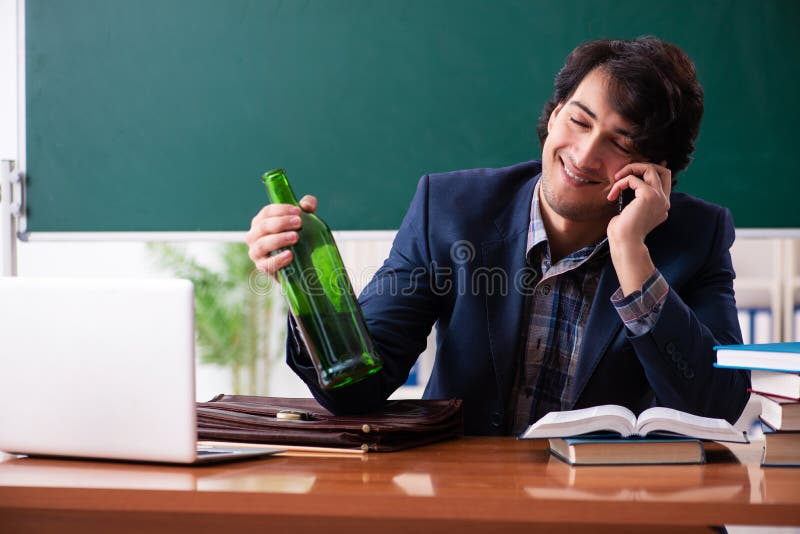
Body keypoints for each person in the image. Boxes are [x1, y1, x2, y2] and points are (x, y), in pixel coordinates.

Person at [246, 36, 749, 435]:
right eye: (578, 120)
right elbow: (356, 390)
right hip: (473, 504)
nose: (585, 154)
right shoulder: (447, 210)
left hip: (619, 508)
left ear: (655, 171)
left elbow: (720, 409)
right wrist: (304, 288)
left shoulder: (696, 236)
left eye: (619, 143)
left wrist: (631, 255)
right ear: (554, 115)